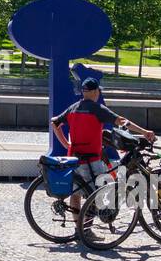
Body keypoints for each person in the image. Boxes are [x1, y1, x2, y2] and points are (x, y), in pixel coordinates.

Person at [50, 78, 155, 210]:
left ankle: (79, 226)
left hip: (74, 158)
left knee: (76, 193)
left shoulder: (73, 108)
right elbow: (122, 121)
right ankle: (86, 228)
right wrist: (144, 131)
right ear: (95, 92)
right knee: (96, 195)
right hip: (92, 159)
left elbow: (54, 122)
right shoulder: (98, 109)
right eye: (98, 91)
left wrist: (66, 145)